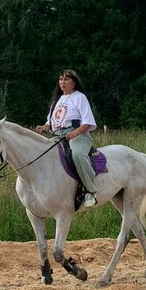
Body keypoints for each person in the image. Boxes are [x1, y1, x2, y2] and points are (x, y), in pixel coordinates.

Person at [35, 68, 99, 207]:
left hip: (79, 134)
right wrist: (42, 128)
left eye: (66, 79)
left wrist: (74, 133)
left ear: (74, 82)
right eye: (60, 79)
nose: (62, 82)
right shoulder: (56, 101)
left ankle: (90, 191)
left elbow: (88, 122)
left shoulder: (79, 97)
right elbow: (50, 124)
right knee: (42, 153)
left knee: (77, 155)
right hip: (58, 136)